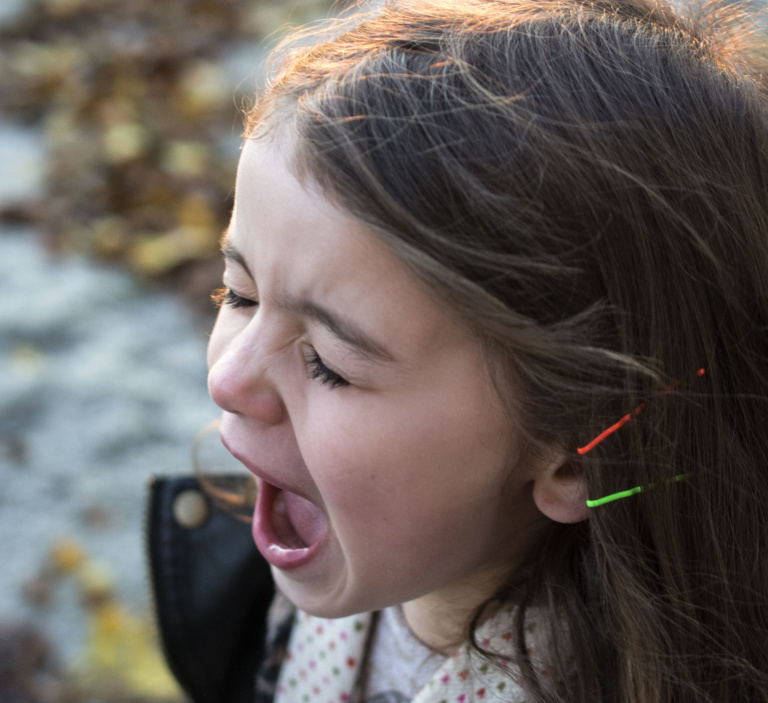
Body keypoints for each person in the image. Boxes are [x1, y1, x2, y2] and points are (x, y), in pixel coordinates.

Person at [180, 0, 768, 700]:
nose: (228, 377)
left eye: (328, 364)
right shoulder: (313, 547)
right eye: (239, 295)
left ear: (582, 456)